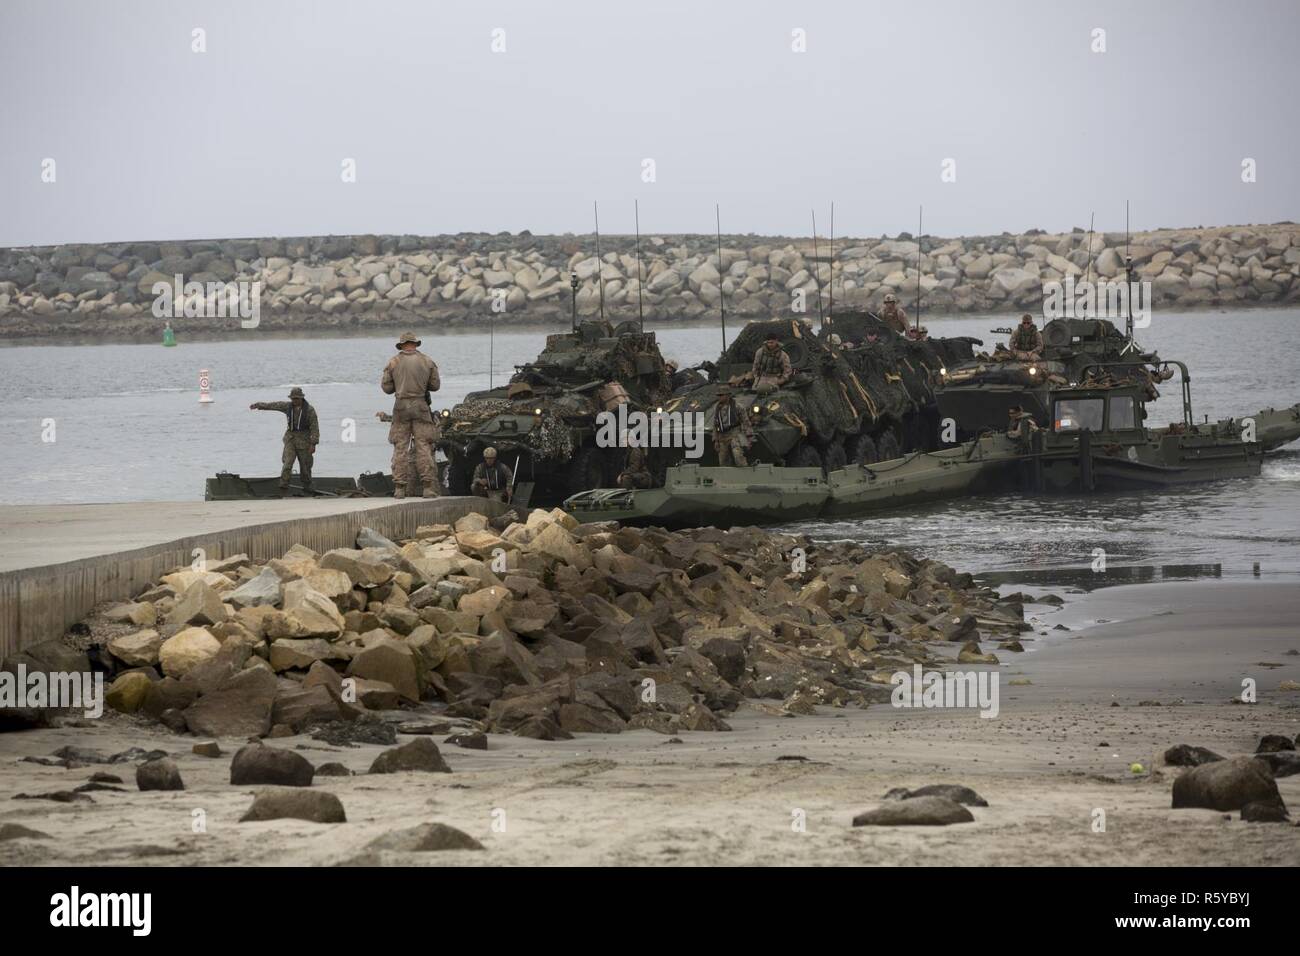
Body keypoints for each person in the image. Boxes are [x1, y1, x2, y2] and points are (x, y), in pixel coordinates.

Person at [381, 331, 440, 498]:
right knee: (424, 446)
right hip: (421, 406)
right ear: (415, 344)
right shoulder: (427, 361)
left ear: (401, 345)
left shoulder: (393, 362)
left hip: (400, 407)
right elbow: (435, 385)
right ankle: (428, 487)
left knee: (400, 448)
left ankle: (399, 488)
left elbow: (386, 388)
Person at [250, 387, 319, 496]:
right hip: (290, 439)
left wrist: (313, 444)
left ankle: (307, 487)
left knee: (305, 467)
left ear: (301, 398)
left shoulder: (310, 410)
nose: (295, 401)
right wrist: (259, 405)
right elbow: (274, 405)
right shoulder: (288, 407)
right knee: (287, 463)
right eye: (293, 398)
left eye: (297, 398)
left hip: (304, 441)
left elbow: (315, 428)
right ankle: (283, 487)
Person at [712, 385, 753, 466]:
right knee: (723, 461)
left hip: (735, 434)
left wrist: (749, 437)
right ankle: (727, 477)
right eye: (718, 395)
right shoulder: (716, 407)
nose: (719, 397)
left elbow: (745, 422)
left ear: (728, 395)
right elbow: (715, 424)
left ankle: (745, 474)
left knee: (738, 456)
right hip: (722, 436)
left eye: (721, 395)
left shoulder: (738, 406)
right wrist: (716, 440)